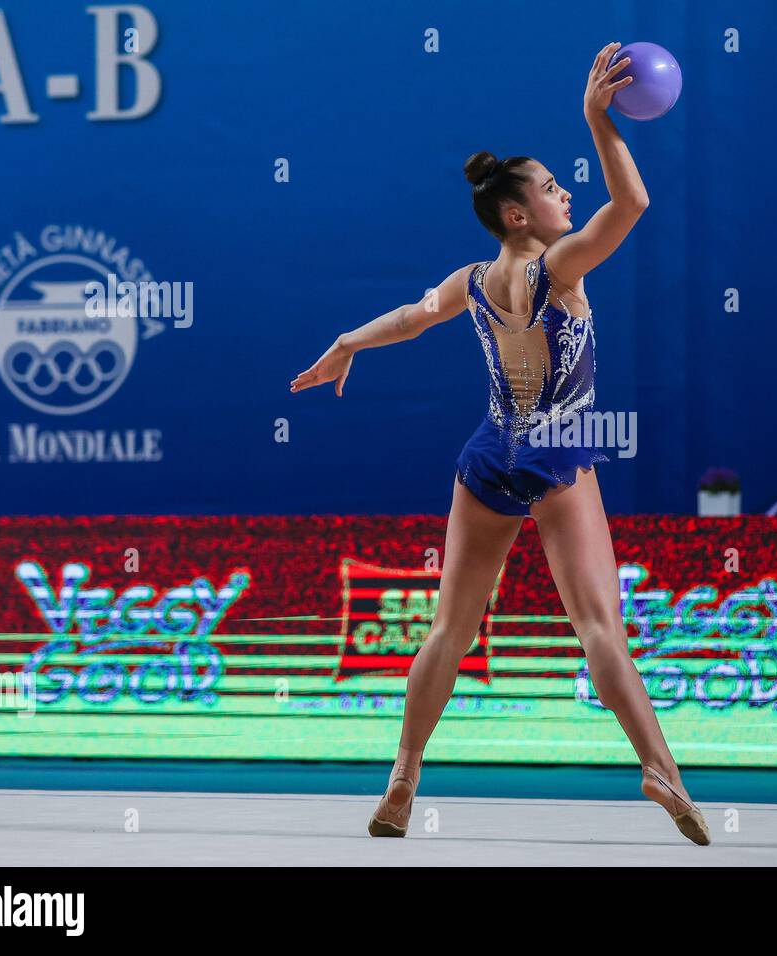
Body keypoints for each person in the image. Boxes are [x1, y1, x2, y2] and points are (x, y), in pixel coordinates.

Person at [290, 43, 709, 846]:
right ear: (519, 215)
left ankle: (402, 780)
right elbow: (634, 204)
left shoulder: (473, 280)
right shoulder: (562, 268)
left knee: (451, 630)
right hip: (557, 456)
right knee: (597, 628)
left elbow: (412, 317)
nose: (564, 196)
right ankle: (659, 767)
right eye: (553, 190)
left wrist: (346, 341)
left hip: (491, 457)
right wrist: (598, 119)